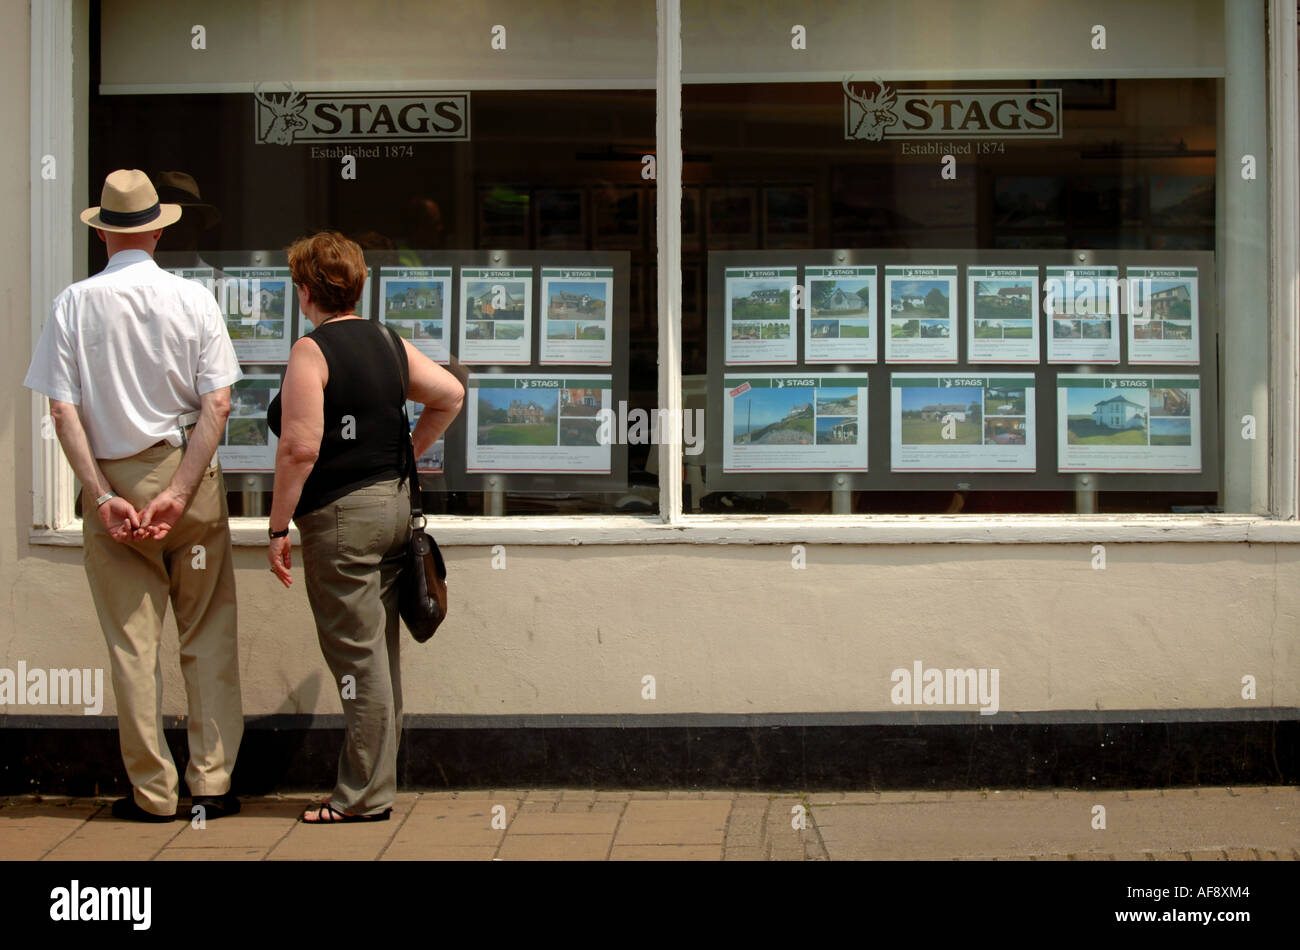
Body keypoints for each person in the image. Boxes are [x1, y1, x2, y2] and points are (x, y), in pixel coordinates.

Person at [24, 168, 244, 822]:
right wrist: (179, 490)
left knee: (132, 642)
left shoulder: (73, 303)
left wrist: (99, 495)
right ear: (156, 230)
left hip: (113, 479)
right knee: (207, 631)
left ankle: (153, 794)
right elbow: (219, 403)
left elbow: (62, 413)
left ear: (103, 236)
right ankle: (213, 783)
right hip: (186, 473)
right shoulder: (193, 299)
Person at [266, 230, 463, 823]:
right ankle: (377, 784)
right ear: (357, 283)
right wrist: (405, 447)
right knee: (378, 652)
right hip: (392, 509)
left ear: (305, 292)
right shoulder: (387, 341)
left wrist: (277, 528)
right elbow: (450, 393)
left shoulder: (311, 351)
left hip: (342, 518)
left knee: (357, 659)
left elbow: (300, 447)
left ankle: (362, 797)